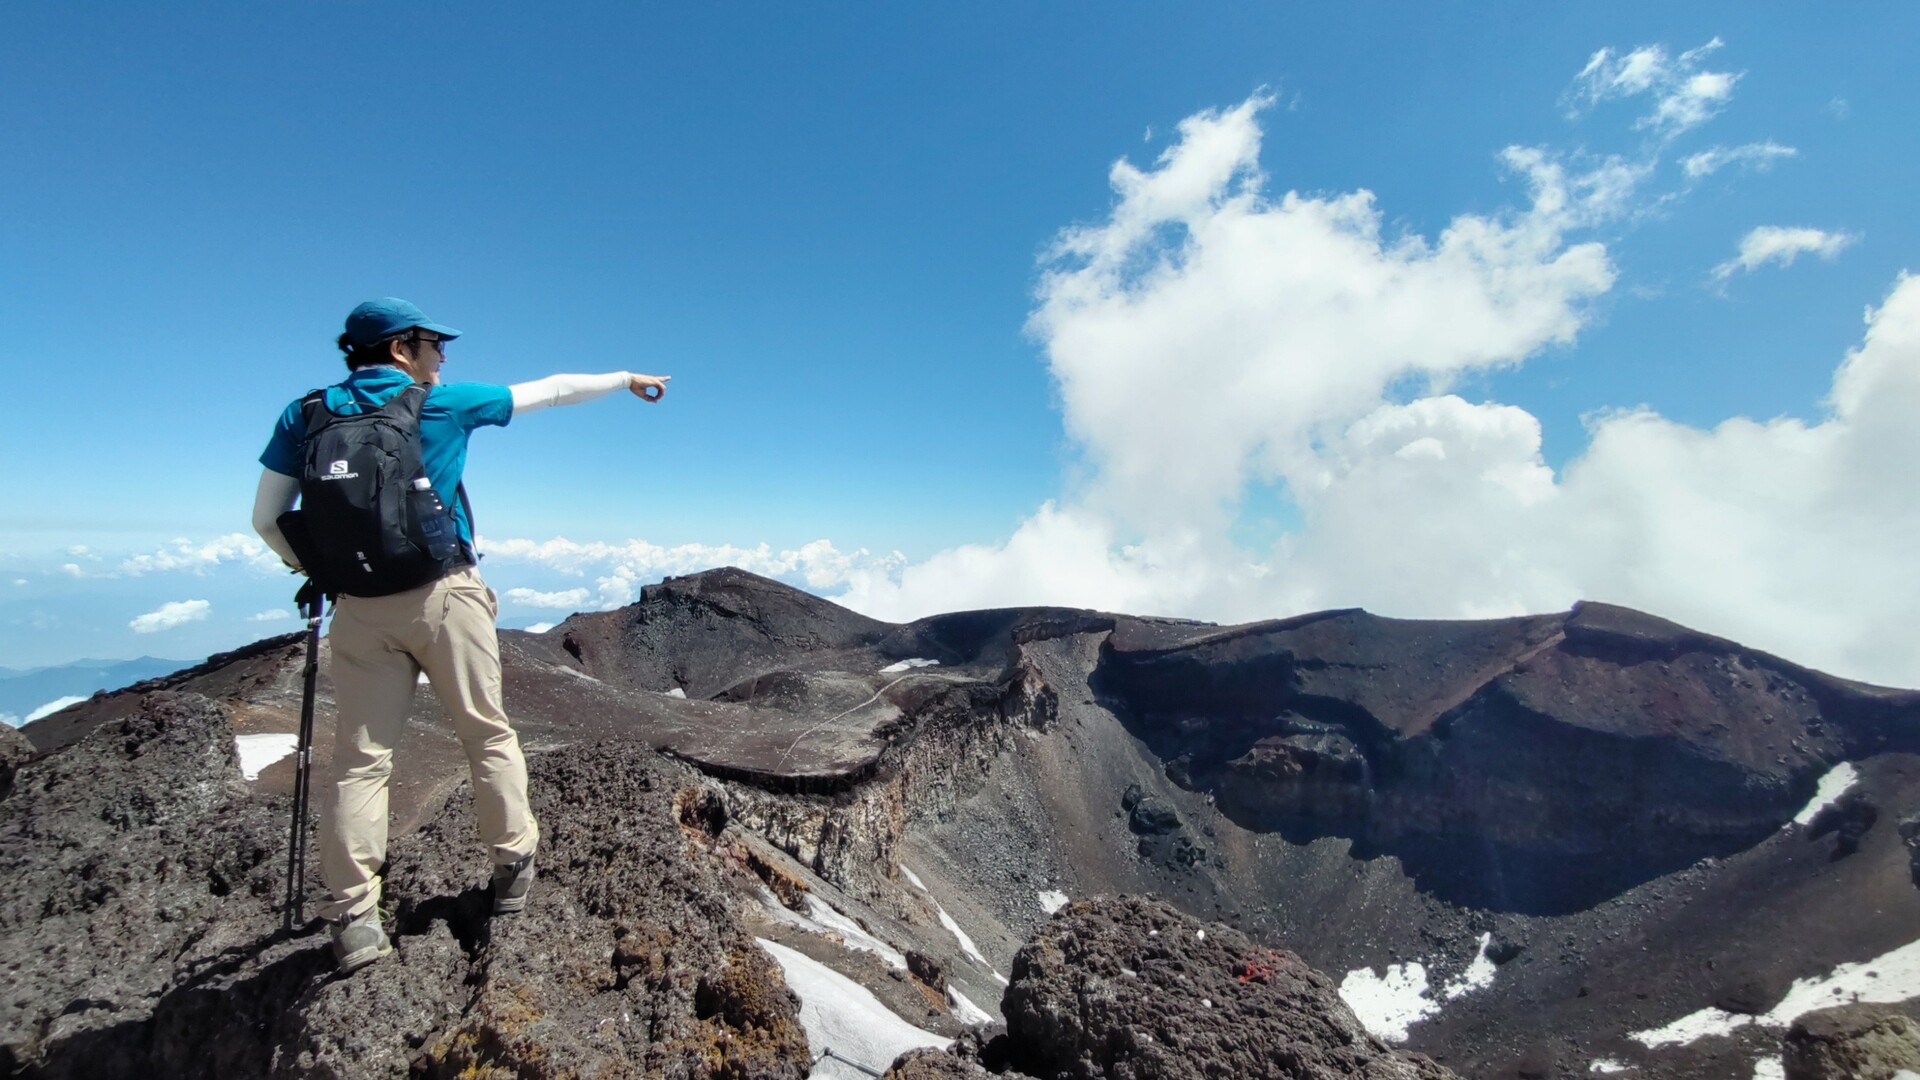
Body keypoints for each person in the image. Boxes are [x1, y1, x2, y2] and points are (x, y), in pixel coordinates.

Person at [252, 297, 669, 972]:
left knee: (360, 762)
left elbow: (267, 519)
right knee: (486, 732)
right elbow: (553, 392)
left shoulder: (305, 415)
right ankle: (513, 872)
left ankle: (355, 920)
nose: (443, 356)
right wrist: (625, 378)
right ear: (399, 349)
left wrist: (317, 568)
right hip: (445, 596)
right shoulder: (438, 406)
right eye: (434, 344)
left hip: (358, 611)